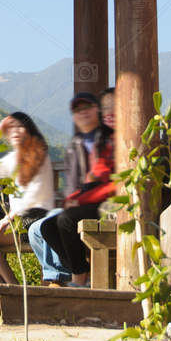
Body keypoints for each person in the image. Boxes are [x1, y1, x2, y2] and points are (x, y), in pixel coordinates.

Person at [28, 92, 116, 287]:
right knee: (47, 227)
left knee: (65, 220)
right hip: (92, 202)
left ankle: (78, 278)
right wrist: (75, 198)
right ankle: (82, 271)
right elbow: (90, 180)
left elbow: (113, 183)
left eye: (88, 109)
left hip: (114, 204)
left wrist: (80, 199)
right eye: (78, 110)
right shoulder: (82, 144)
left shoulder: (119, 140)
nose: (83, 114)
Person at [0, 113, 56, 285]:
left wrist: (7, 219)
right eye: (11, 128)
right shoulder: (13, 158)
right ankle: (3, 286)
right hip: (16, 219)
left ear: (29, 130)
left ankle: (12, 287)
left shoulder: (39, 155)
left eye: (19, 126)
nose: (15, 131)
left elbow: (34, 196)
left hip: (35, 218)